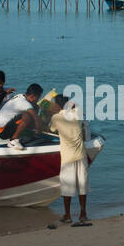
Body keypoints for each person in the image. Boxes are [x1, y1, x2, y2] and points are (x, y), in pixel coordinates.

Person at [47, 96, 90, 226]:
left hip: (67, 157)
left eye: (54, 105)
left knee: (67, 188)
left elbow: (51, 129)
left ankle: (67, 215)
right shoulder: (76, 114)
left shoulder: (56, 118)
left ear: (58, 106)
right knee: (82, 186)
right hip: (81, 155)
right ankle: (83, 214)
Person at [0, 83, 43, 149]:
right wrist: (39, 130)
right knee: (27, 116)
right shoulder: (23, 102)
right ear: (33, 96)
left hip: (7, 126)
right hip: (2, 131)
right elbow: (35, 117)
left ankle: (28, 133)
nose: (38, 100)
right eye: (38, 98)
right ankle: (13, 141)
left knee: (36, 107)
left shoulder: (21, 96)